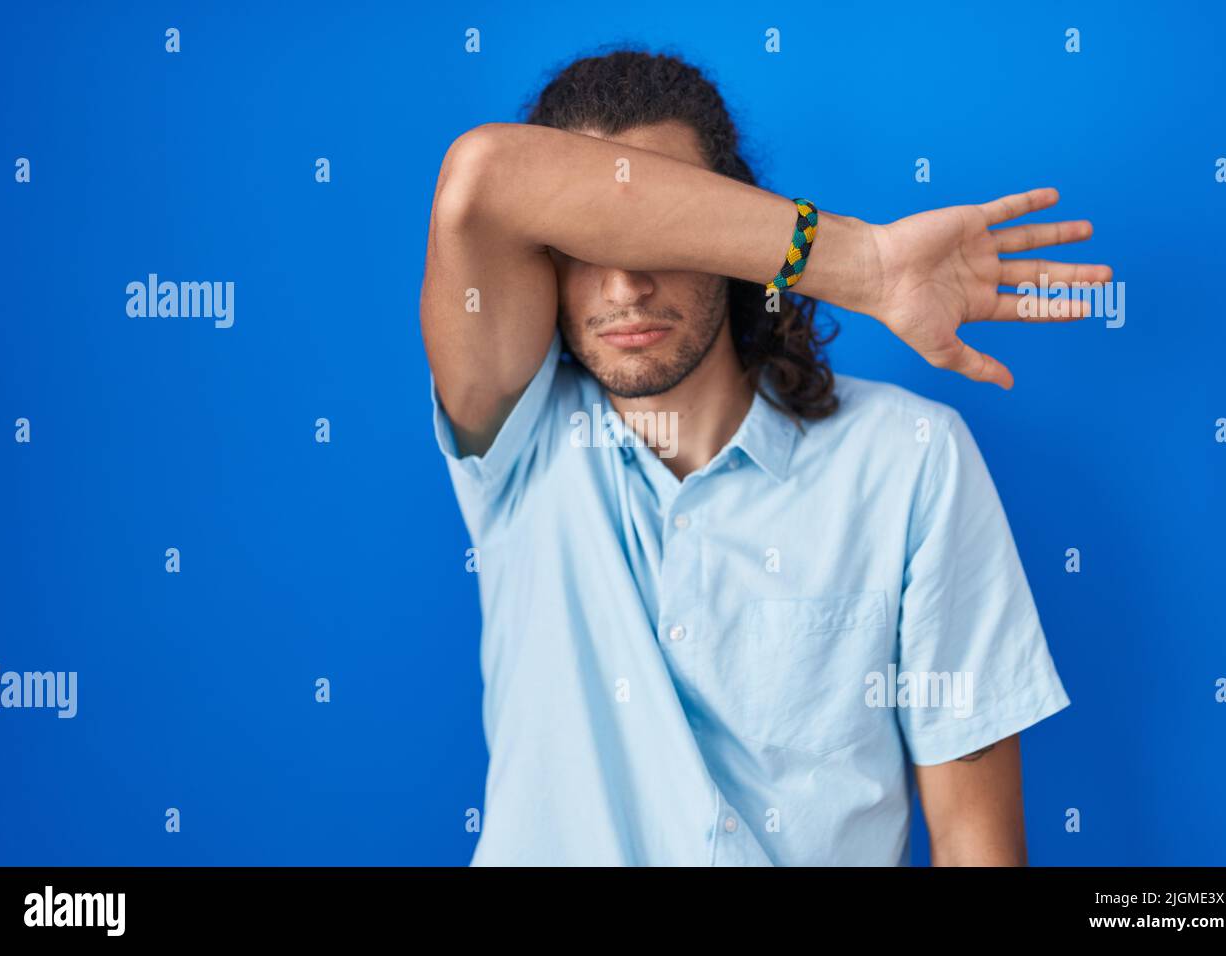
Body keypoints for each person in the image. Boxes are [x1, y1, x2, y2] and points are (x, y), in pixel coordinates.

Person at [420, 49, 1110, 865]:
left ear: (735, 237)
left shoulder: (908, 460)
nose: (625, 284)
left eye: (659, 227)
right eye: (583, 237)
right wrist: (867, 264)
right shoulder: (519, 441)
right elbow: (482, 175)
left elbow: (975, 843)